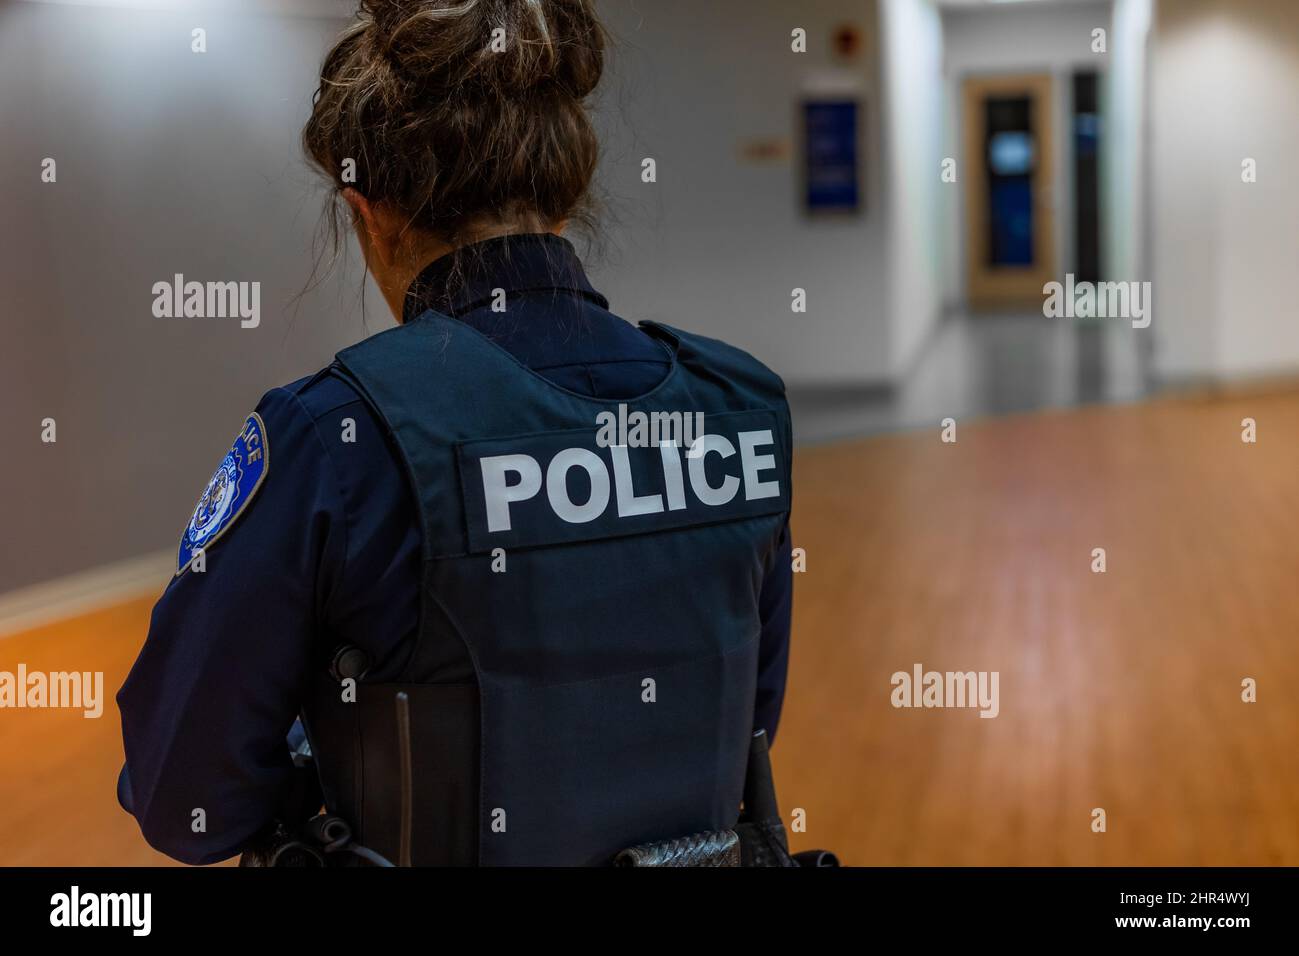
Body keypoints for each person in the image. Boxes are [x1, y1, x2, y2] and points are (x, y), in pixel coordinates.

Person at [116, 0, 794, 866]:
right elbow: (749, 723)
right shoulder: (742, 406)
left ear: (370, 212)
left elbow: (186, 798)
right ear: (565, 193)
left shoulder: (333, 435)